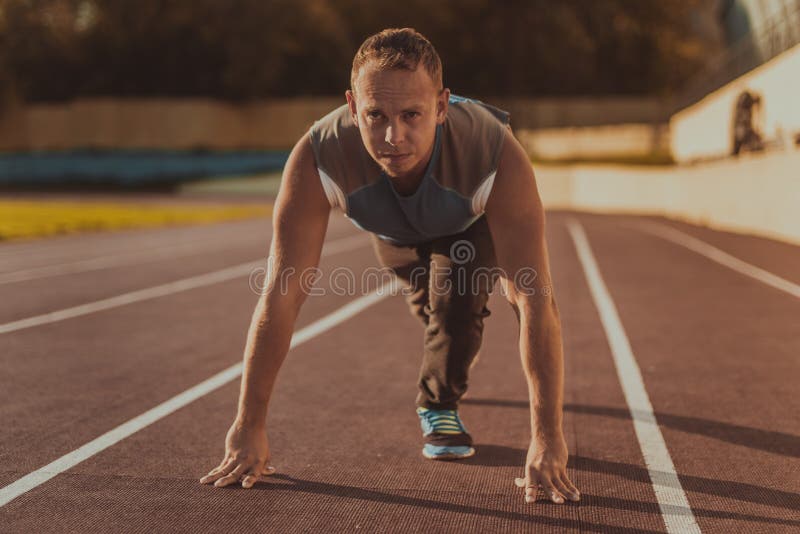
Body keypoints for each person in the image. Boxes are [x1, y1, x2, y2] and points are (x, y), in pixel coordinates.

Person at [200, 28, 580, 505]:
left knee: (457, 304)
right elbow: (282, 294)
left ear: (442, 107)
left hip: (468, 228)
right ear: (353, 106)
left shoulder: (493, 151)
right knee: (440, 321)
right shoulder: (319, 154)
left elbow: (534, 300)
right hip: (394, 237)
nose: (392, 136)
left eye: (412, 115)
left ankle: (438, 403)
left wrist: (547, 439)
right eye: (375, 115)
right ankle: (453, 341)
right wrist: (247, 425)